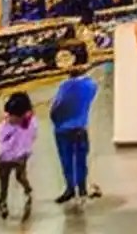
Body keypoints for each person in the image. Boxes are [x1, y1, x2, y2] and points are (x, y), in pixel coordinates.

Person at [49, 64, 97, 204]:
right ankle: (82, 188)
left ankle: (70, 188)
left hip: (63, 128)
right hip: (81, 126)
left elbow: (57, 106)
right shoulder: (91, 85)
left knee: (67, 160)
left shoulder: (65, 86)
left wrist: (55, 117)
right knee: (81, 159)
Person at [0, 92, 36, 219]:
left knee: (13, 178)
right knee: (11, 179)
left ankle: (8, 200)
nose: (10, 117)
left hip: (12, 156)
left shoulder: (16, 123)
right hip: (13, 156)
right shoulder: (28, 122)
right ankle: (7, 199)